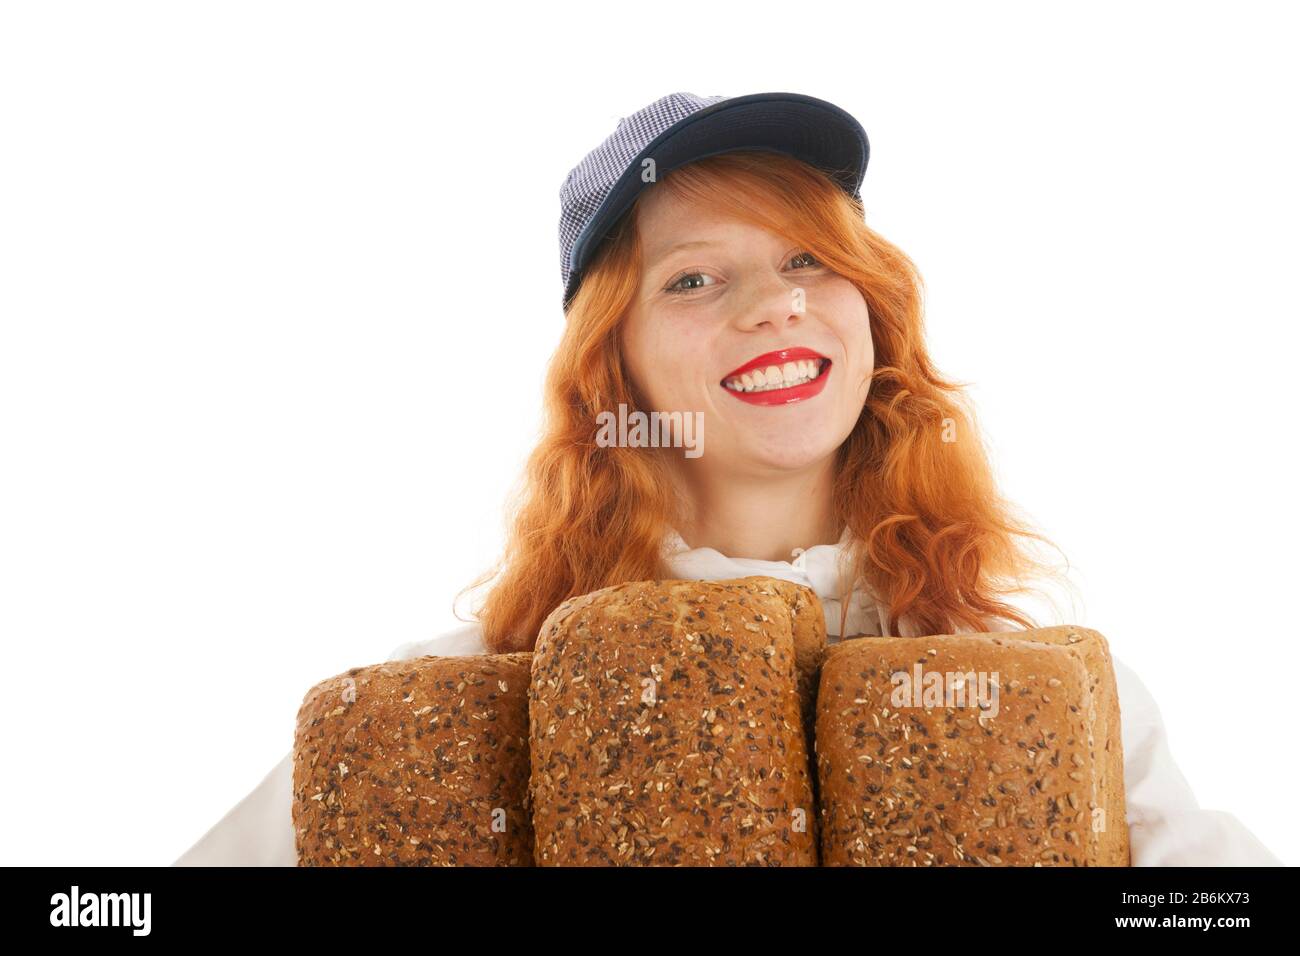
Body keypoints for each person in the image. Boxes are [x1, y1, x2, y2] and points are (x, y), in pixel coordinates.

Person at [174, 91, 1282, 867]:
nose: (775, 303)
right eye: (695, 277)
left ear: (868, 309)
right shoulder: (450, 704)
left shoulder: (1050, 705)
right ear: (613, 364)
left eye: (809, 259)